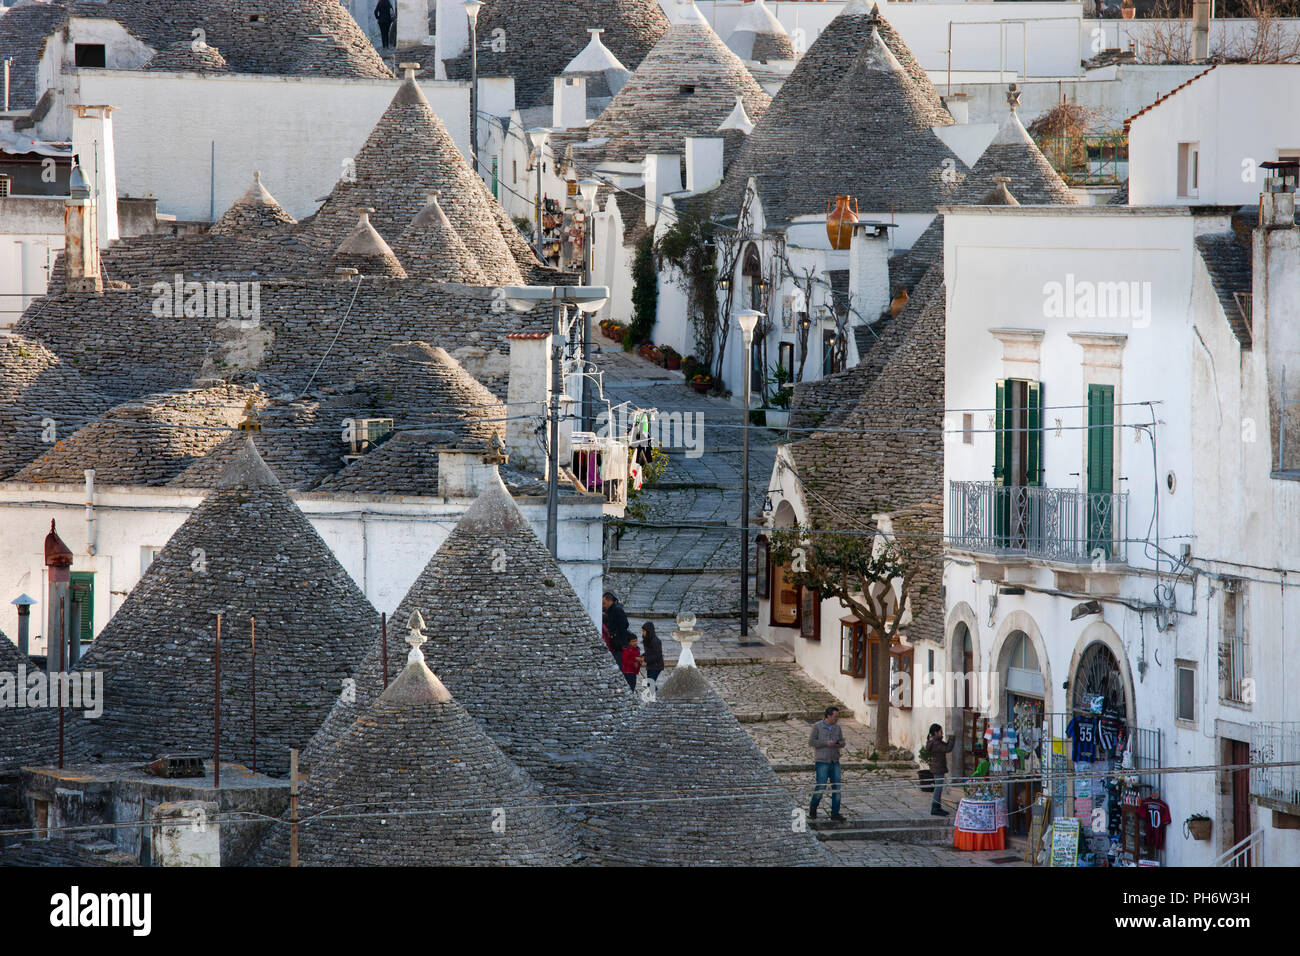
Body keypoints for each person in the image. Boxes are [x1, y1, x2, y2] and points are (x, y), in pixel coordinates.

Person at [808, 705, 846, 822]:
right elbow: (811, 742)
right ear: (828, 716)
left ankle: (835, 813)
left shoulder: (837, 728)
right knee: (821, 786)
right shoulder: (817, 726)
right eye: (835, 716)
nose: (837, 719)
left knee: (837, 787)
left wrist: (838, 744)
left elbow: (842, 742)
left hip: (835, 761)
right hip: (822, 761)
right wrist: (825, 743)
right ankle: (813, 808)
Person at [926, 723, 956, 816]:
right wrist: (952, 737)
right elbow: (947, 748)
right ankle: (935, 808)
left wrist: (949, 739)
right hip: (938, 768)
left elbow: (946, 746)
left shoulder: (935, 741)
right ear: (936, 732)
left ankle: (937, 806)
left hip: (937, 767)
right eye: (940, 731)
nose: (942, 733)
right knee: (938, 788)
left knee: (938, 787)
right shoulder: (935, 743)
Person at [602, 591, 631, 664]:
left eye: (604, 603)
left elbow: (625, 624)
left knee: (619, 664)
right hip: (615, 644)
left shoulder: (617, 610)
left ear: (610, 601)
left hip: (619, 645)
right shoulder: (610, 611)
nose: (603, 606)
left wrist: (615, 634)